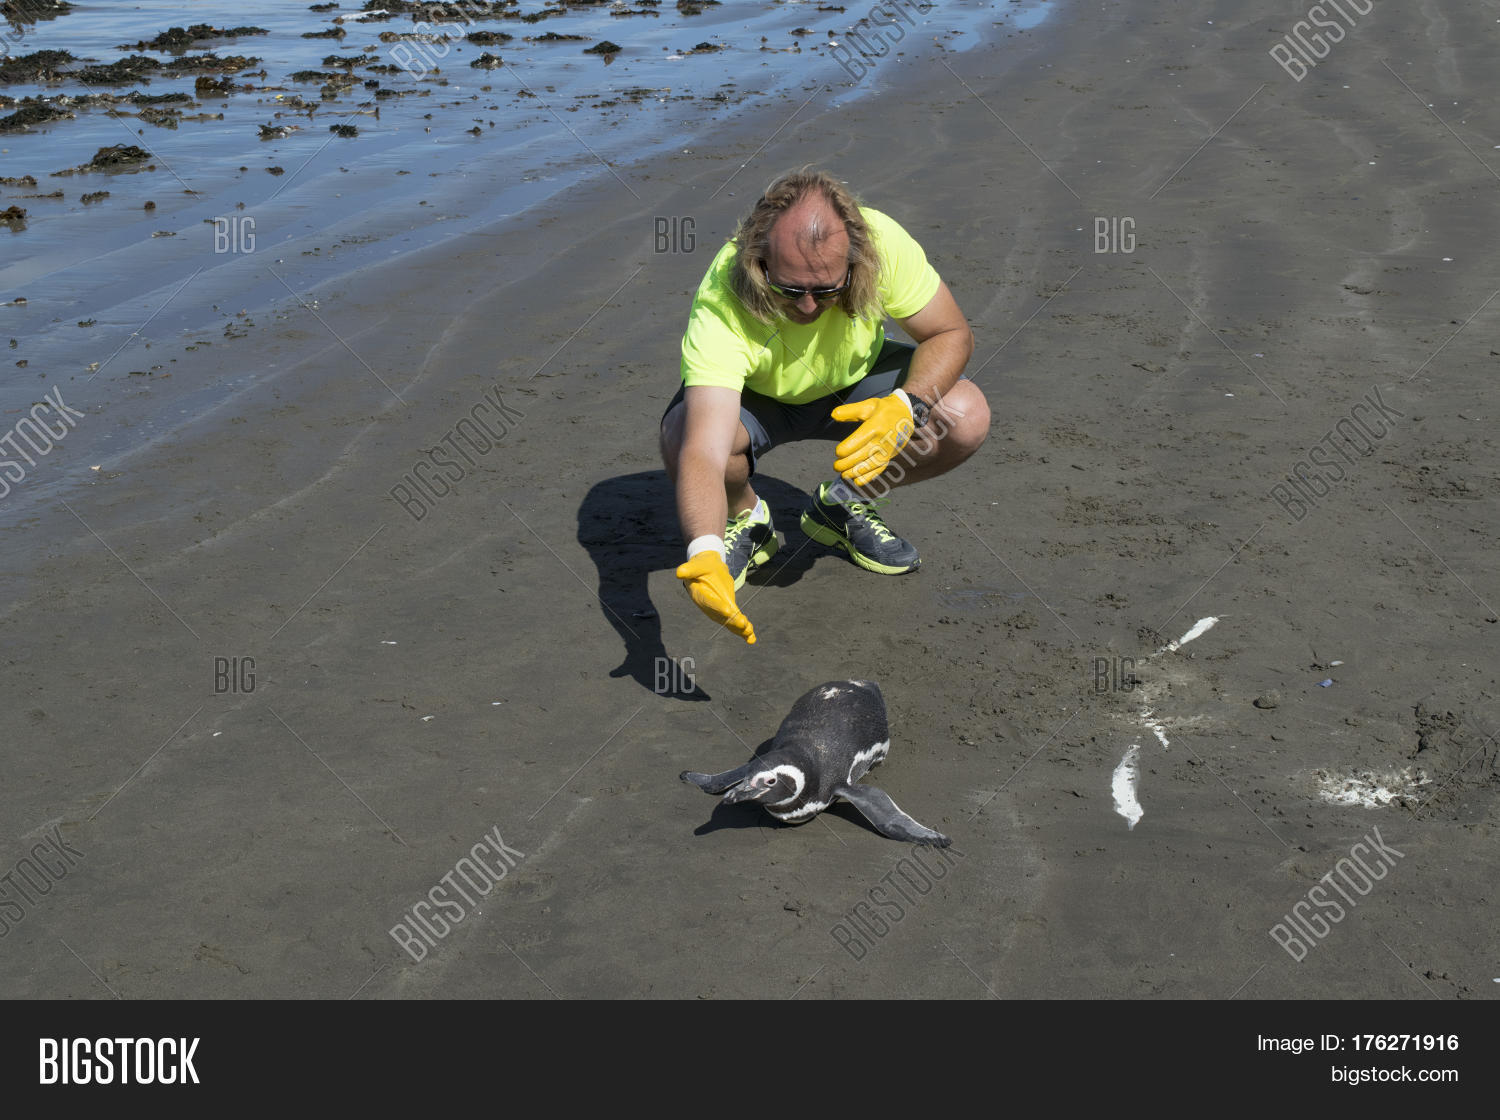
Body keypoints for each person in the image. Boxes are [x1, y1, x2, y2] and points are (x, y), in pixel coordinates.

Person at [658, 167, 990, 644]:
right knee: (681, 433)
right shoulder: (724, 294)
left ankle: (843, 504)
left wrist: (907, 404)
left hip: (855, 384)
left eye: (827, 289)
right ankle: (746, 520)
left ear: (855, 261)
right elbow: (703, 453)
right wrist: (703, 548)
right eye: (791, 290)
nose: (809, 307)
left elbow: (951, 332)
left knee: (963, 415)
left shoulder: (883, 245)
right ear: (759, 261)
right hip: (760, 398)